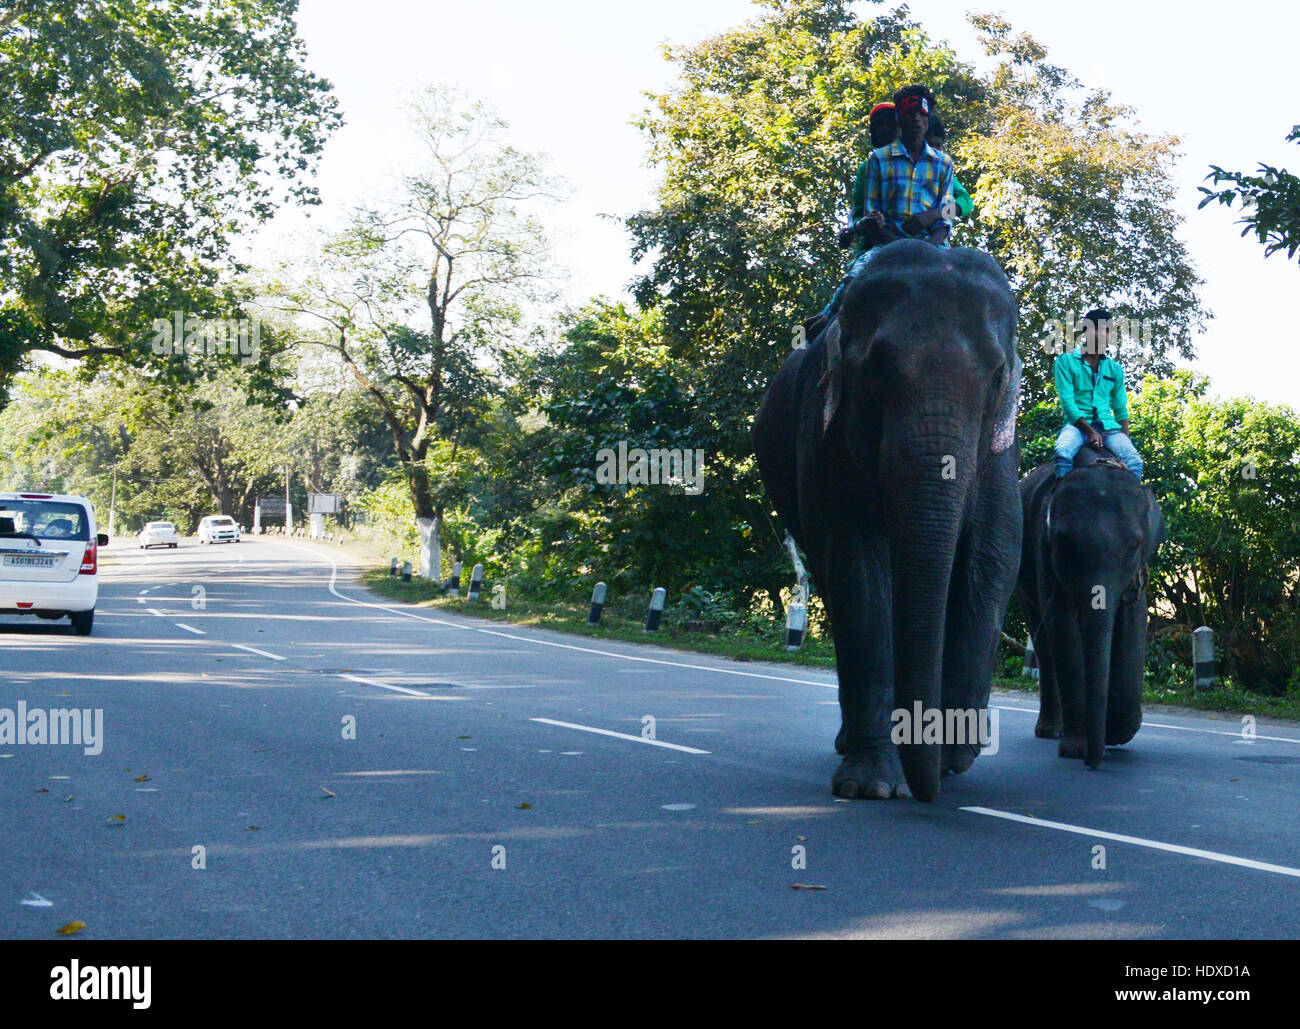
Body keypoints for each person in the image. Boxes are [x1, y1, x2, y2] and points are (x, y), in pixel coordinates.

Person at [810, 84, 955, 330]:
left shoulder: (944, 163)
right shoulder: (877, 160)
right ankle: (824, 323)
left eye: (922, 114)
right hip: (885, 245)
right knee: (854, 281)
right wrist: (899, 247)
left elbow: (947, 216)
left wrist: (925, 247)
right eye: (910, 114)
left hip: (934, 249)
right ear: (900, 117)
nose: (916, 120)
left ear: (928, 119)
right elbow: (871, 217)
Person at [1052, 309, 1143, 480]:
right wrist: (1090, 431)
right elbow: (1068, 403)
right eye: (1098, 328)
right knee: (1063, 453)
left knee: (1135, 463)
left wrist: (1125, 441)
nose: (1103, 334)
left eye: (1107, 330)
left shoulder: (1114, 369)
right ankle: (1057, 502)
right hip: (1077, 427)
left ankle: (1127, 504)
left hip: (1109, 428)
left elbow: (1120, 407)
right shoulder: (1065, 362)